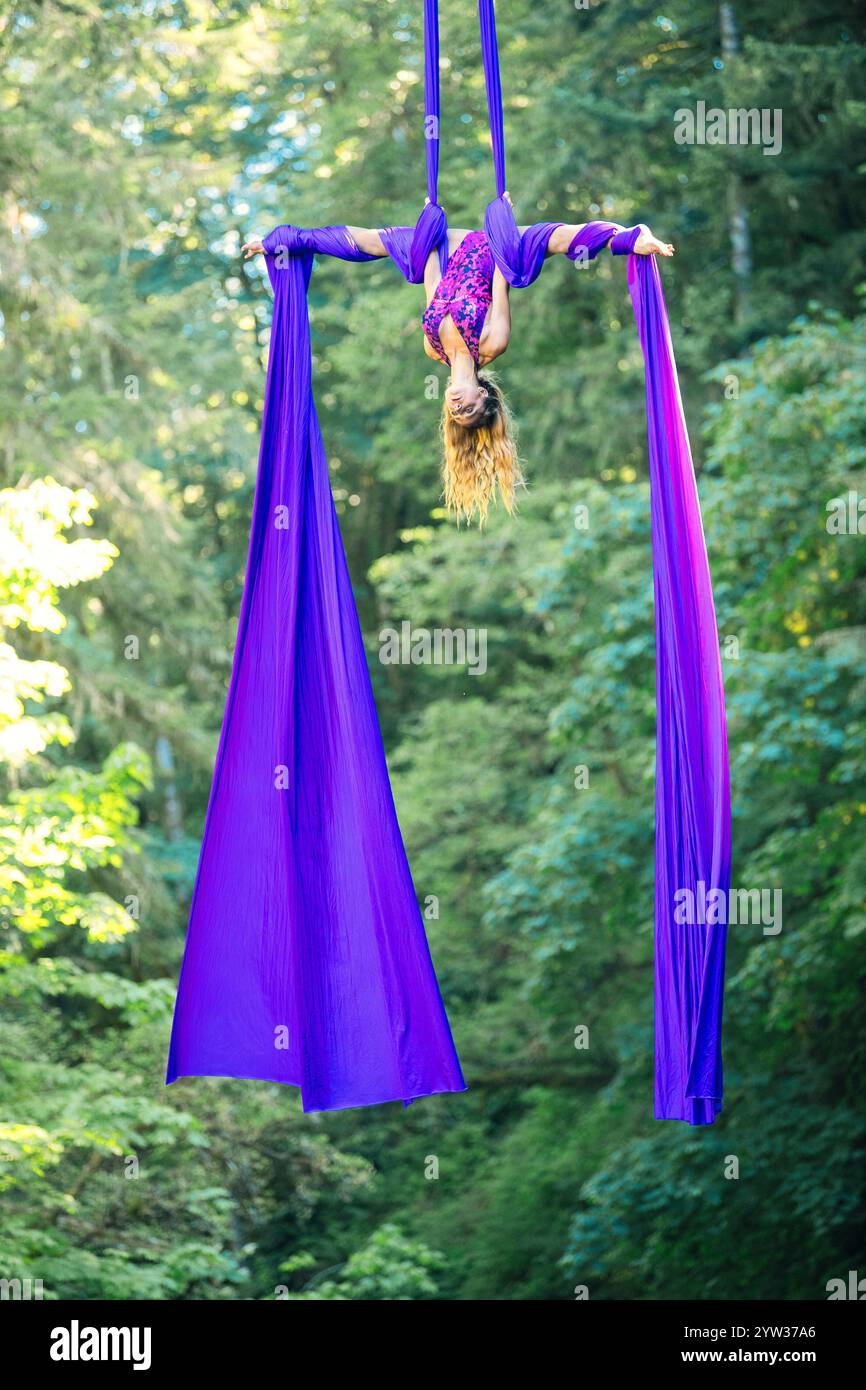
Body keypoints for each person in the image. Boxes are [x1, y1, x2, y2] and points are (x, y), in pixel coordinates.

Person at [243, 204, 674, 523]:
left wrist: (427, 237)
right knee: (558, 242)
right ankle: (629, 238)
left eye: (455, 412)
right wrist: (501, 224)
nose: (455, 404)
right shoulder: (492, 341)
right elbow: (503, 276)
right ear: (482, 393)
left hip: (447, 252)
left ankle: (283, 240)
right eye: (467, 406)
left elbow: (432, 284)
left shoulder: (433, 348)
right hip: (493, 250)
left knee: (370, 242)